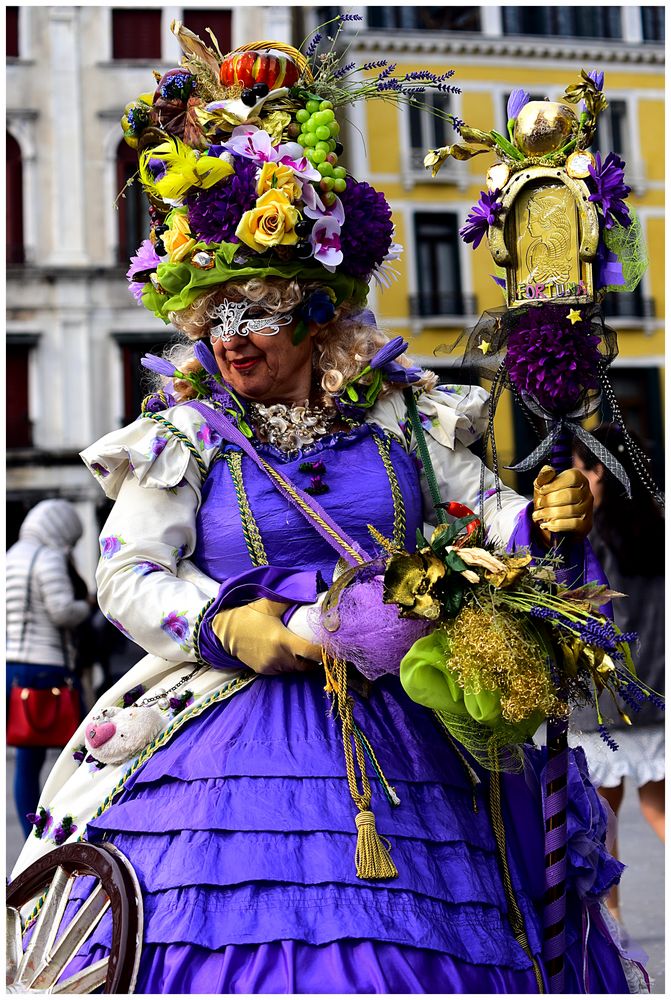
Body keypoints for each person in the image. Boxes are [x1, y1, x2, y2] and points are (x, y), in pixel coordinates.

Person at [10, 26, 648, 994]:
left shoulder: (408, 417)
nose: (231, 340)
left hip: (411, 707)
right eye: (214, 318)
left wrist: (548, 515)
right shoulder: (180, 436)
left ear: (316, 320)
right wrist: (229, 622)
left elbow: (487, 520)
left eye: (255, 313)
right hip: (231, 714)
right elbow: (129, 569)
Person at [571, 423, 665, 923]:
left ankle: (615, 925)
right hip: (658, 689)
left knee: (602, 816)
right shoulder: (660, 522)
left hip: (604, 699)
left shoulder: (589, 536)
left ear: (598, 468)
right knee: (659, 807)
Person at [6, 499, 93, 836]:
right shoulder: (49, 558)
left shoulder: (12, 556)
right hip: (49, 670)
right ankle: (72, 828)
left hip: (14, 669)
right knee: (80, 753)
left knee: (27, 761)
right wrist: (85, 606)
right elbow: (61, 612)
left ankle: (32, 839)